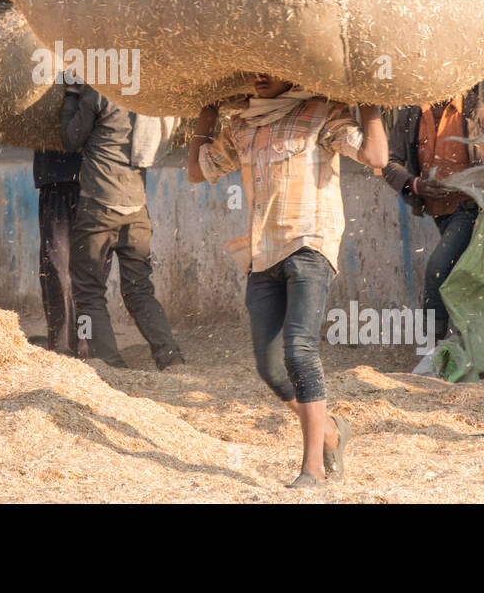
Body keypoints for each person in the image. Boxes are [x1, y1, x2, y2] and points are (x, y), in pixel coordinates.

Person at [188, 74, 387, 487]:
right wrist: (204, 119)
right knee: (270, 368)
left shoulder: (320, 112)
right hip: (262, 254)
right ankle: (331, 431)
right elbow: (196, 170)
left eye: (270, 70)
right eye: (255, 71)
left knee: (299, 348)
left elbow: (375, 155)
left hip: (309, 243)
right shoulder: (243, 124)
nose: (261, 78)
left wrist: (368, 101)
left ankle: (312, 467)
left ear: (290, 70)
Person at [61, 81, 184, 370]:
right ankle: (171, 358)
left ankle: (110, 365)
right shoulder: (150, 96)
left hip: (98, 208)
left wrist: (71, 96)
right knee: (139, 290)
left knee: (88, 292)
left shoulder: (101, 91)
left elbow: (69, 139)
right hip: (137, 210)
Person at [381, 91, 484, 342]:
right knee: (458, 279)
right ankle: (462, 345)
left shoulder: (478, 114)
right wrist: (415, 184)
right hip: (440, 213)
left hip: (471, 209)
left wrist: (483, 182)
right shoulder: (411, 115)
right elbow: (388, 162)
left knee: (437, 270)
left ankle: (432, 347)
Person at [33, 149, 82, 356]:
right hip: (60, 180)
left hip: (92, 182)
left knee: (76, 269)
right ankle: (65, 345)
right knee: (57, 267)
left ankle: (80, 343)